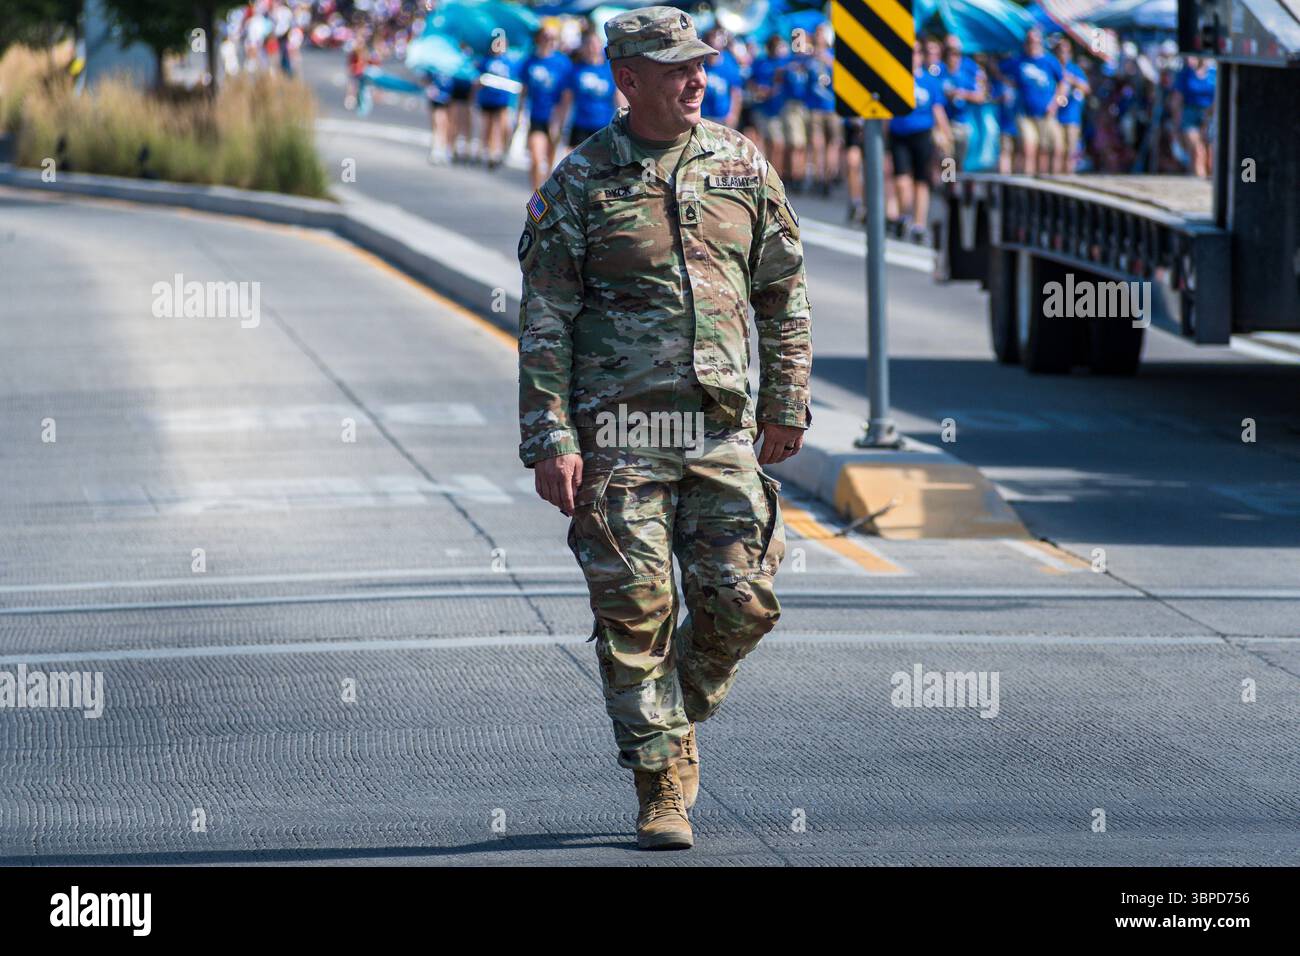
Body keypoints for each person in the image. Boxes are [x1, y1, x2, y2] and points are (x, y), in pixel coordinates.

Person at [516, 5, 811, 852]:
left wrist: (786, 402)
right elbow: (546, 321)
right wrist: (552, 439)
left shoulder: (741, 164)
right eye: (674, 67)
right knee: (635, 613)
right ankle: (660, 784)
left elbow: (782, 291)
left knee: (744, 601)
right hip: (620, 441)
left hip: (719, 431)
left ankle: (665, 716)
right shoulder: (579, 185)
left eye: (700, 65)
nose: (695, 79)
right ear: (627, 79)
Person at [888, 41, 950, 243]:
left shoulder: (930, 82)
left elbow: (937, 109)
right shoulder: (896, 79)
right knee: (902, 181)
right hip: (899, 135)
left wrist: (945, 133)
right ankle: (904, 214)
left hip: (922, 134)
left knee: (921, 181)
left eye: (916, 52)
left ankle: (919, 224)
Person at [1000, 29, 1067, 174]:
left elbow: (1063, 83)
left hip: (1046, 113)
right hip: (1025, 113)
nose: (1032, 45)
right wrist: (1010, 84)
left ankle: (1045, 183)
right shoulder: (1019, 61)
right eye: (1029, 42)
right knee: (1028, 148)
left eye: (1035, 41)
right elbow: (999, 70)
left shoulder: (1049, 61)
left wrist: (1056, 103)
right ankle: (1028, 183)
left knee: (1048, 148)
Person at [519, 26, 572, 191]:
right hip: (536, 116)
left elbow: (566, 95)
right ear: (539, 38)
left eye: (552, 37)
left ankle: (546, 196)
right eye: (545, 36)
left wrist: (560, 119)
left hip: (554, 117)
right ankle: (535, 194)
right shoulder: (530, 61)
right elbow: (524, 90)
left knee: (549, 162)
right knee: (536, 158)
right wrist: (520, 113)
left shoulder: (562, 63)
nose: (548, 40)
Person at [556, 27, 622, 151]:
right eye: (589, 45)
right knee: (574, 165)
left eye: (595, 44)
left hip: (603, 126)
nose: (592, 48)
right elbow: (566, 100)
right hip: (580, 125)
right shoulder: (576, 70)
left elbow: (618, 97)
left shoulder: (609, 70)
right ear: (583, 48)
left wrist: (623, 123)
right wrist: (559, 124)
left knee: (602, 166)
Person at [938, 35, 985, 172]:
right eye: (949, 51)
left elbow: (980, 96)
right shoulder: (939, 70)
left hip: (964, 122)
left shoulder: (968, 69)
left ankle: (961, 188)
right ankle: (948, 188)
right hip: (945, 122)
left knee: (962, 161)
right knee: (947, 158)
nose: (953, 56)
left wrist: (962, 94)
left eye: (956, 52)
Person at [804, 23, 840, 196]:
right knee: (817, 144)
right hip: (815, 107)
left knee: (833, 142)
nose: (818, 36)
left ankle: (829, 176)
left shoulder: (832, 56)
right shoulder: (809, 56)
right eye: (816, 33)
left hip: (832, 106)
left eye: (821, 34)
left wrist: (826, 60)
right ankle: (819, 177)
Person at [749, 34, 788, 176]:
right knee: (763, 143)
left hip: (778, 108)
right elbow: (750, 81)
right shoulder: (760, 62)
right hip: (762, 108)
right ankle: (765, 174)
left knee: (778, 144)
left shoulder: (784, 63)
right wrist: (758, 90)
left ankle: (776, 174)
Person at [1172, 55, 1216, 178]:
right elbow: (1176, 100)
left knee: (1211, 155)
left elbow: (1219, 97)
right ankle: (1198, 181)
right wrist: (1177, 124)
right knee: (1197, 151)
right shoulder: (1185, 74)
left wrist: (1209, 115)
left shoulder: (1215, 73)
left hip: (1210, 114)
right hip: (1189, 114)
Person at [475, 37, 515, 170]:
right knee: (487, 125)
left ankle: (495, 152)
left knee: (499, 126)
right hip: (487, 98)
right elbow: (478, 77)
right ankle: (485, 150)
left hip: (501, 99)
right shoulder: (486, 60)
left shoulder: (508, 61)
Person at [1053, 39, 1089, 173]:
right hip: (1054, 117)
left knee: (1070, 151)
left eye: (1065, 52)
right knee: (1057, 150)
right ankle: (1055, 179)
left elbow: (1086, 88)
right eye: (1060, 51)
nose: (1062, 54)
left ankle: (1068, 176)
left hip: (1071, 117)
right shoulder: (1052, 67)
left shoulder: (1074, 69)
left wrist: (1071, 79)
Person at [700, 26, 742, 128]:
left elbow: (735, 91)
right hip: (703, 117)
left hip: (723, 118)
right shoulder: (699, 62)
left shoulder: (729, 62)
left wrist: (733, 115)